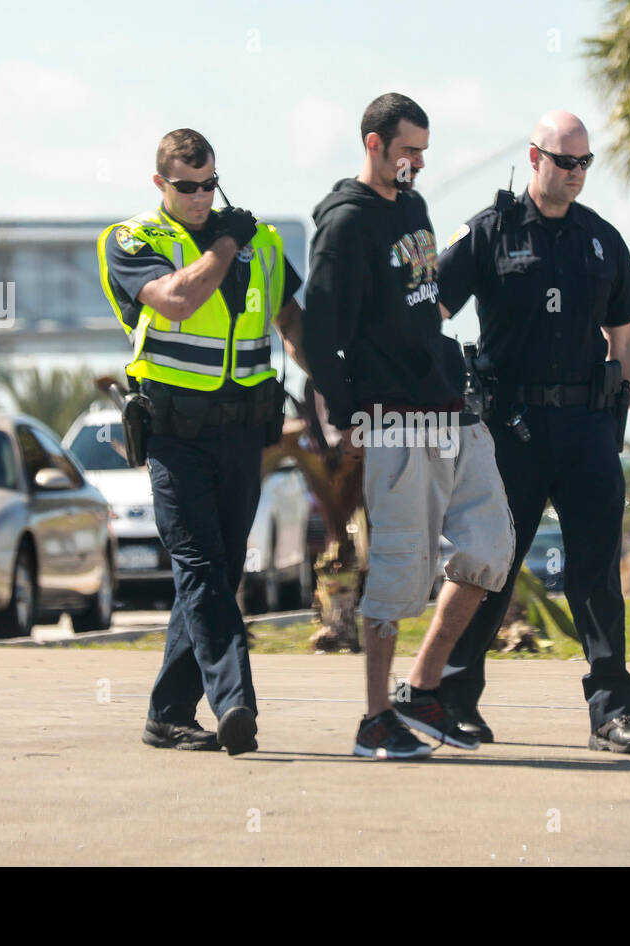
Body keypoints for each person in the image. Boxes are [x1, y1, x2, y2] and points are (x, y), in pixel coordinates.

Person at [434, 110, 630, 755]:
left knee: (596, 573)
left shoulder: (601, 241)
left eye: (585, 163)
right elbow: (433, 310)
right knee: (493, 564)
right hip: (511, 431)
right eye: (565, 162)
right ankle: (454, 699)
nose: (576, 174)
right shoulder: (489, 232)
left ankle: (612, 714)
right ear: (535, 157)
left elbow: (626, 340)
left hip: (590, 428)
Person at [303, 93, 516, 759]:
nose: (418, 163)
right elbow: (320, 333)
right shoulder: (344, 226)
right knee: (398, 573)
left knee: (491, 548)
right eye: (407, 151)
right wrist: (344, 418)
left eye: (423, 151)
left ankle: (421, 688)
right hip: (393, 421)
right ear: (374, 144)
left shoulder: (415, 208)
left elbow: (429, 304)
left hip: (454, 407)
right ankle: (374, 721)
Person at [97, 128, 306, 754]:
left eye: (210, 185)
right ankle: (234, 699)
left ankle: (166, 714)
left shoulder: (260, 240)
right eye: (187, 187)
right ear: (160, 183)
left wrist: (335, 384)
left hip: (243, 433)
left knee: (221, 569)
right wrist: (223, 243)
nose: (200, 196)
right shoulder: (133, 240)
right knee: (199, 566)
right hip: (174, 435)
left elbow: (291, 321)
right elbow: (178, 301)